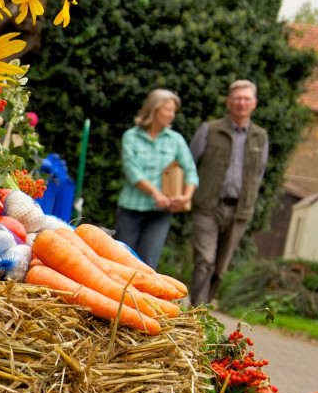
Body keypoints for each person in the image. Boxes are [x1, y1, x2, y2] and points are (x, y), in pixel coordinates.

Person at [189, 80, 269, 306]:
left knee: (220, 268)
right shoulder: (210, 129)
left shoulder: (260, 137)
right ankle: (195, 312)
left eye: (246, 99)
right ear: (228, 102)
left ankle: (203, 310)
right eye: (237, 98)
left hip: (239, 211)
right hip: (208, 206)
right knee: (204, 260)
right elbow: (189, 164)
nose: (241, 103)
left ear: (254, 104)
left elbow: (259, 173)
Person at [115, 89, 199, 268]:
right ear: (154, 109)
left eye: (173, 111)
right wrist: (155, 193)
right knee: (121, 260)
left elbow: (191, 171)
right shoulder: (131, 136)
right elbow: (133, 171)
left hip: (160, 214)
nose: (172, 115)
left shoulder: (176, 140)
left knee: (148, 264)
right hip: (130, 210)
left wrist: (186, 197)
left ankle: (140, 297)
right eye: (168, 110)